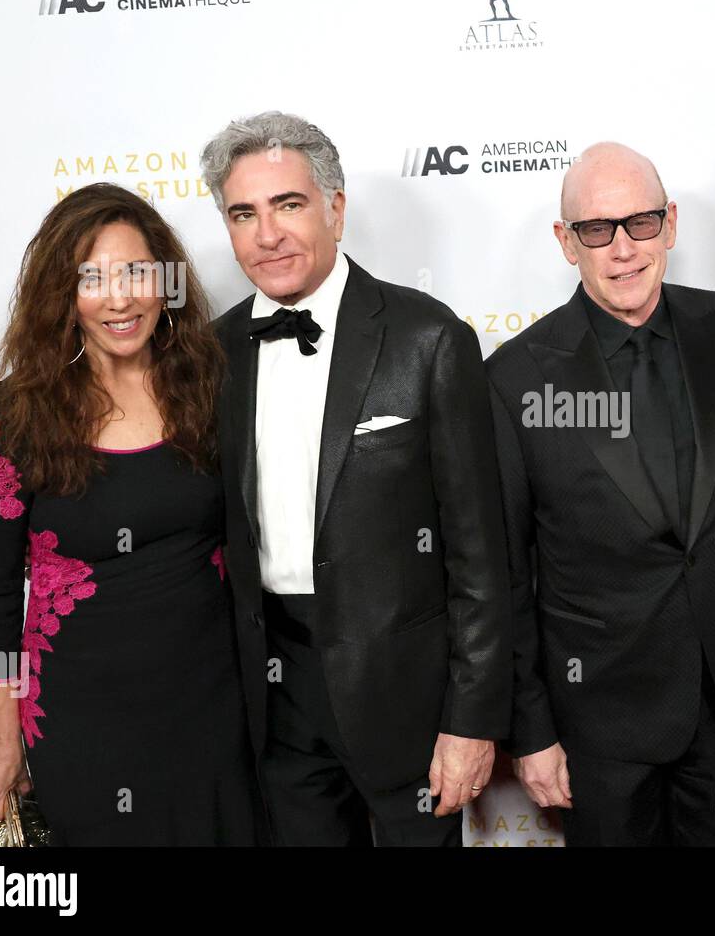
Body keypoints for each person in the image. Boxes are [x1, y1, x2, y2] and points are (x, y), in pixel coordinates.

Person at [201, 112, 511, 846]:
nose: (267, 234)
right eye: (244, 214)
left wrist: (469, 721)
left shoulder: (428, 338)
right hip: (272, 697)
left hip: (405, 690)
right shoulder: (213, 354)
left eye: (288, 205)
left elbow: (480, 553)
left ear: (336, 209)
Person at [486, 142, 715, 846]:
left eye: (641, 223)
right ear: (567, 243)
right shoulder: (514, 380)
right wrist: (530, 731)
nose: (623, 248)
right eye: (597, 229)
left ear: (672, 224)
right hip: (601, 722)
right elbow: (502, 574)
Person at [0, 182, 264, 845]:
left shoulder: (211, 388)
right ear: (63, 296)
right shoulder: (13, 417)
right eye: (93, 278)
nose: (119, 297)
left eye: (135, 272)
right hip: (81, 725)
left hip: (213, 715)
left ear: (165, 282)